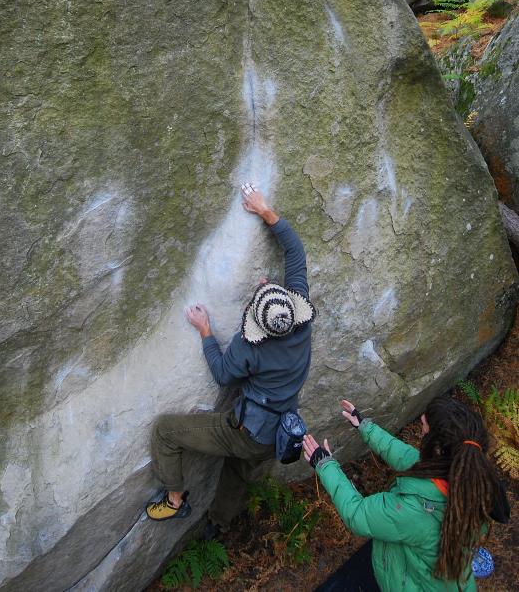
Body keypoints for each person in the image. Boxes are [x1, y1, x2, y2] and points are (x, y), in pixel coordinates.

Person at [145, 183, 316, 535]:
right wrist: (265, 210)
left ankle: (175, 501)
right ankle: (219, 524)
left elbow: (223, 374)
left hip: (244, 432)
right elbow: (295, 252)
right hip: (281, 429)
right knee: (238, 470)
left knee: (165, 431)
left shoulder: (249, 346)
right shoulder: (300, 320)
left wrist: (206, 331)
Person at [303, 396, 510, 592]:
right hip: (435, 569)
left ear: (438, 449)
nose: (421, 431)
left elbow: (357, 514)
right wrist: (365, 426)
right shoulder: (467, 477)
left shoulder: (417, 510)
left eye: (424, 428)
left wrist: (324, 464)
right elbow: (405, 456)